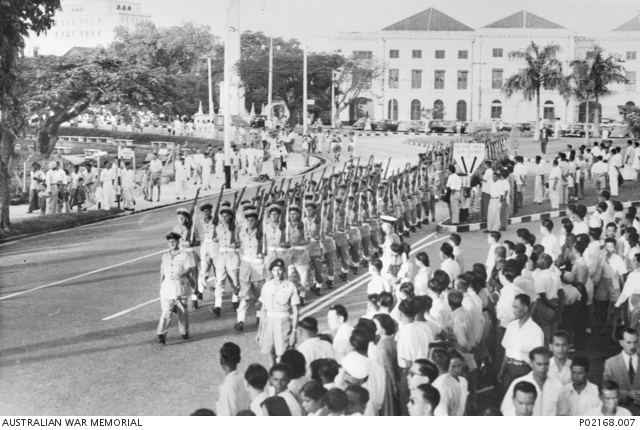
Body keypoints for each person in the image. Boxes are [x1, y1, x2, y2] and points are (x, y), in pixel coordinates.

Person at [257, 259, 300, 366]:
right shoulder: (267, 286)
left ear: (284, 271)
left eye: (280, 270)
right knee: (270, 354)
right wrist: (259, 332)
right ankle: (273, 375)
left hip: (284, 324)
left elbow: (295, 311)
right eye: (275, 270)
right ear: (271, 271)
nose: (277, 273)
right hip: (269, 325)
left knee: (283, 356)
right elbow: (263, 309)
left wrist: (294, 332)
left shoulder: (290, 286)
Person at [156, 231, 195, 345]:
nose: (172, 244)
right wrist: (160, 282)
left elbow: (189, 269)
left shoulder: (185, 255)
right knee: (166, 312)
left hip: (180, 287)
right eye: (170, 242)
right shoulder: (165, 255)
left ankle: (184, 332)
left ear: (178, 242)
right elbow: (162, 270)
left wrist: (182, 274)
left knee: (182, 312)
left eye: (174, 241)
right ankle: (161, 334)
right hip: (167, 288)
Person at [499, 294, 544, 392]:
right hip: (508, 369)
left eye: (516, 307)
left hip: (524, 370)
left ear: (525, 308)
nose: (513, 310)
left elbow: (538, 358)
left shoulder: (536, 330)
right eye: (513, 307)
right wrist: (502, 370)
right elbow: (506, 351)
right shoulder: (511, 326)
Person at [501, 347, 563, 416]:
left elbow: (563, 412)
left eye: (546, 364)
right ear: (531, 363)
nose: (543, 368)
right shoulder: (518, 383)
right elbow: (505, 411)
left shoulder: (558, 385)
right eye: (539, 364)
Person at [603, 328, 640, 415]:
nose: (633, 346)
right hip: (619, 412)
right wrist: (627, 394)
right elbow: (607, 389)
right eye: (628, 342)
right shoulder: (611, 363)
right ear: (621, 342)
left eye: (635, 342)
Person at [215, 342, 250, 416]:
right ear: (239, 359)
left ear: (221, 361)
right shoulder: (244, 378)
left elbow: (230, 413)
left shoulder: (227, 386)